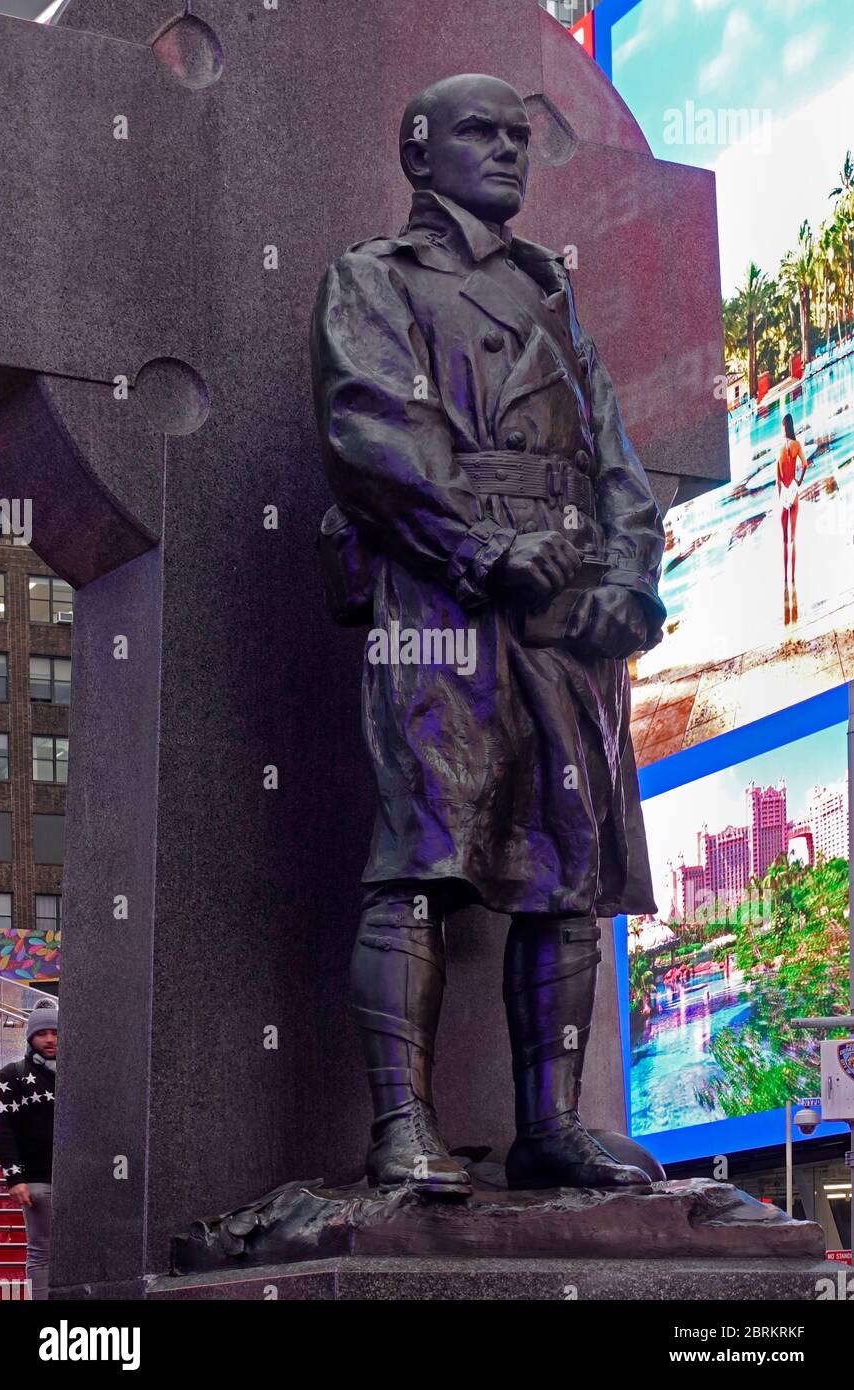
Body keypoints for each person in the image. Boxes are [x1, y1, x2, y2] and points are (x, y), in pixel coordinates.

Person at [311, 74, 666, 1195]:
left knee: (569, 872)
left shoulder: (551, 294)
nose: (508, 151)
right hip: (442, 601)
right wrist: (475, 547)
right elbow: (372, 428)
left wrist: (631, 581)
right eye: (480, 133)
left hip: (567, 615)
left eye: (518, 136)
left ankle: (549, 1126)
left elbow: (616, 458)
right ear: (419, 155)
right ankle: (401, 1126)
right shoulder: (374, 278)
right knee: (425, 854)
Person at [0, 998, 56, 1298]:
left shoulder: (81, 1076)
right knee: (40, 1251)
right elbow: (3, 1130)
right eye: (43, 1033)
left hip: (80, 1181)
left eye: (55, 1032)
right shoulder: (11, 1075)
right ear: (30, 1037)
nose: (50, 1039)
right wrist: (14, 1179)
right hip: (37, 1180)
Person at [776, 411, 808, 624]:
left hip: (785, 493)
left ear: (783, 427)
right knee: (794, 539)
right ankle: (794, 578)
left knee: (784, 540)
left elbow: (778, 480)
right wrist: (799, 480)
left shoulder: (779, 449)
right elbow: (805, 465)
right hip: (794, 490)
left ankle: (785, 578)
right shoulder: (796, 446)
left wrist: (781, 497)